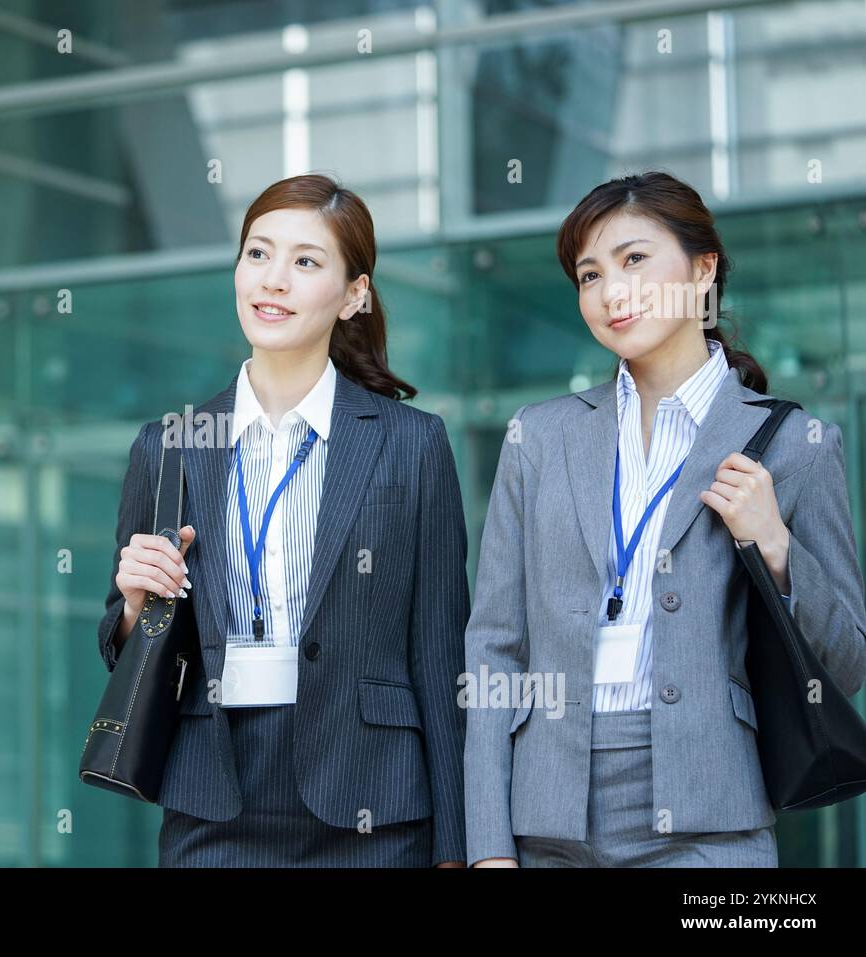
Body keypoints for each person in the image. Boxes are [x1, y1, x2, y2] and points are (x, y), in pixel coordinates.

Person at [464, 170, 866, 867]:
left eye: (634, 259)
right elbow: (494, 646)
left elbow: (848, 661)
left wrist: (774, 544)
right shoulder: (540, 437)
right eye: (590, 275)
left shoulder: (796, 446)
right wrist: (487, 846)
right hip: (549, 813)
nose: (611, 291)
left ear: (703, 267)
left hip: (710, 816)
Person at [96, 173, 470, 866]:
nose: (273, 280)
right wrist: (133, 605)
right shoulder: (170, 444)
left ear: (354, 293)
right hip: (215, 798)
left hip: (376, 807)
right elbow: (125, 644)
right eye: (258, 254)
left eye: (305, 262)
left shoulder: (412, 443)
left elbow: (440, 651)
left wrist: (457, 845)